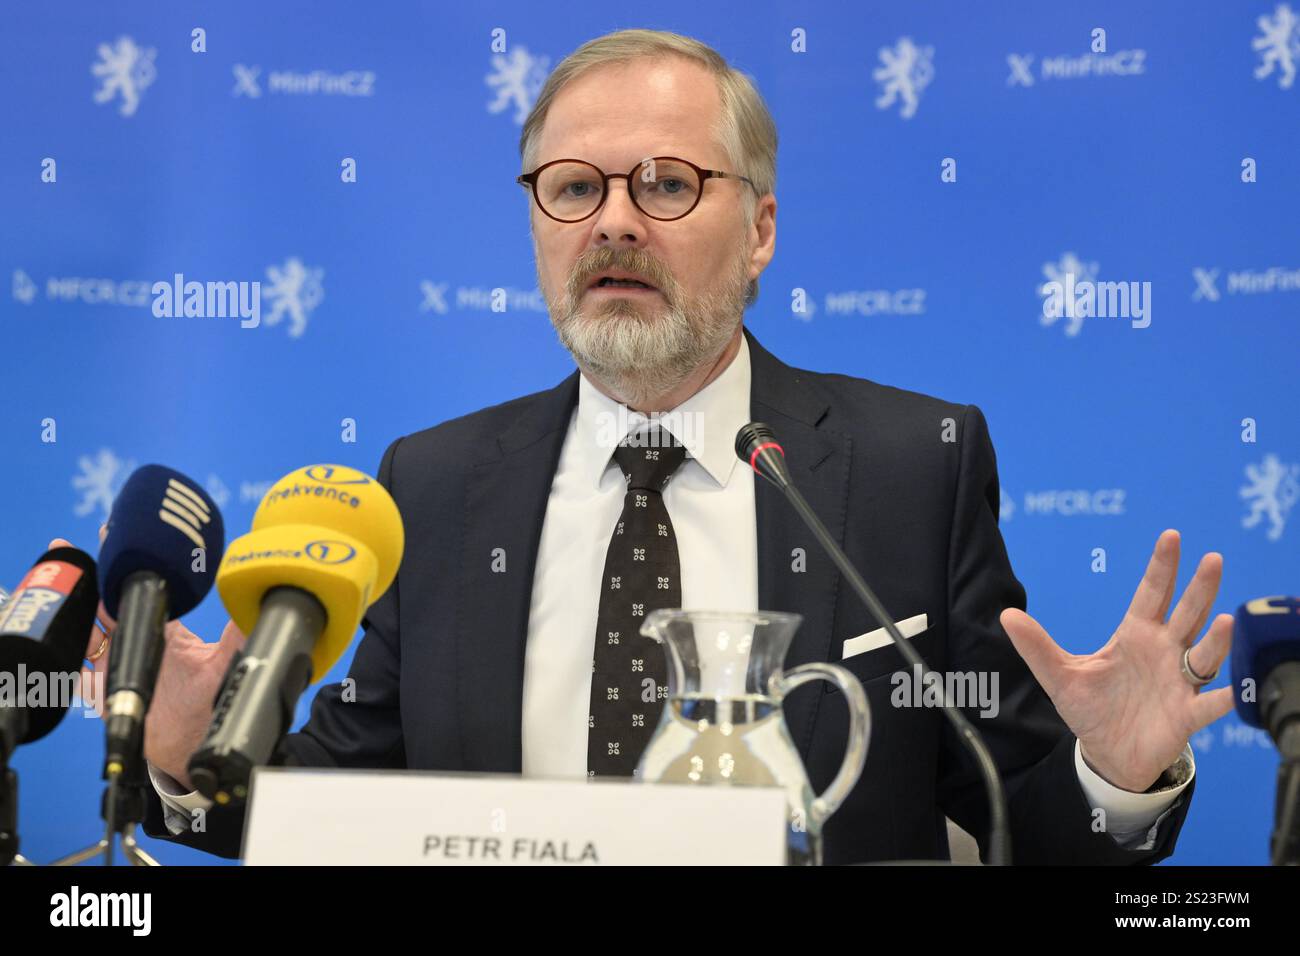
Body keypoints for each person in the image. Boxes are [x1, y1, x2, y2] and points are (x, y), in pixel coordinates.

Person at [59, 29, 1233, 864]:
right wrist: (179, 759)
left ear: (761, 226)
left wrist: (1111, 776)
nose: (613, 219)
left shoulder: (907, 465)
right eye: (572, 187)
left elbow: (1009, 811)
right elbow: (333, 811)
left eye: (667, 183)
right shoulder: (434, 484)